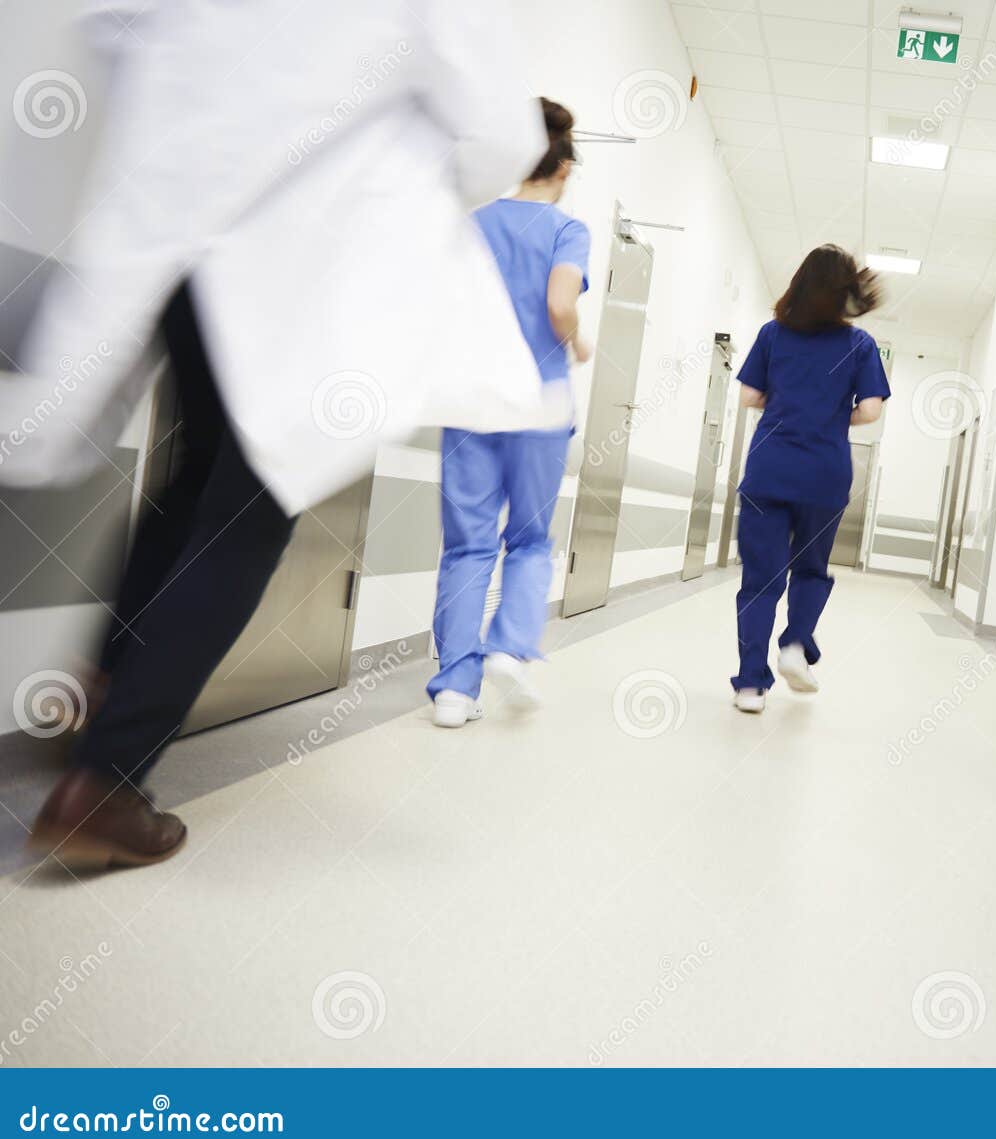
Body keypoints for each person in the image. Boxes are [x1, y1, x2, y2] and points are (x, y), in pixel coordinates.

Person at [10, 1, 548, 868]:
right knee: (248, 509)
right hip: (302, 261)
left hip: (187, 241)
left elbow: (118, 30)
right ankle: (105, 784)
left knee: (192, 483)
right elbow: (501, 132)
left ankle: (99, 699)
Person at [427, 99, 593, 728]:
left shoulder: (470, 224)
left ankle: (454, 690)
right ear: (564, 167)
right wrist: (575, 339)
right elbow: (558, 303)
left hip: (472, 397)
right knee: (528, 539)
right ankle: (509, 649)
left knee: (467, 547)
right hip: (540, 400)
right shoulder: (566, 231)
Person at [730, 246, 890, 713]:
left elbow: (748, 396)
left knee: (759, 580)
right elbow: (872, 409)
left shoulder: (772, 334)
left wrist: (786, 406)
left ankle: (750, 686)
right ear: (847, 292)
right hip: (825, 472)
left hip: (769, 469)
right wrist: (833, 415)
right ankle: (796, 645)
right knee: (811, 568)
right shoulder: (858, 345)